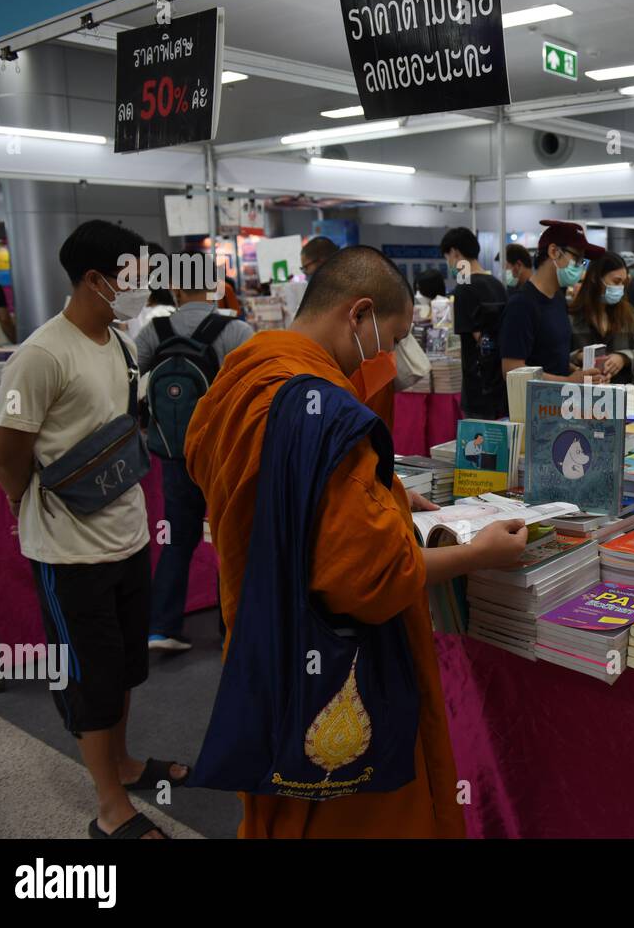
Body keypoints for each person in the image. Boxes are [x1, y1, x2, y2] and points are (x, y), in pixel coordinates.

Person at [185, 246, 528, 837]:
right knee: (342, 802)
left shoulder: (248, 367)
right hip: (335, 663)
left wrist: (386, 490)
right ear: (359, 314)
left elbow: (248, 473)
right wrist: (480, 553)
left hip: (259, 636)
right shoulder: (322, 411)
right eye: (392, 340)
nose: (390, 359)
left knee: (280, 772)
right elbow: (370, 579)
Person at [0, 220, 190, 839]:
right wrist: (25, 497)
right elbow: (8, 450)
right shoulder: (42, 355)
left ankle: (125, 764)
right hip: (68, 551)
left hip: (126, 536)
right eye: (136, 276)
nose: (145, 287)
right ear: (96, 279)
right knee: (89, 677)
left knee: (127, 666)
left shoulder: (120, 340)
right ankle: (110, 806)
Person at [134, 251, 254, 652]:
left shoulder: (155, 330)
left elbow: (129, 377)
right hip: (223, 453)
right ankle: (231, 625)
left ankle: (161, 625)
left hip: (172, 450)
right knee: (228, 535)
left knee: (178, 535)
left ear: (174, 287)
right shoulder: (235, 331)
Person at [500, 219, 605, 383]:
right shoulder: (521, 305)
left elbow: (552, 359)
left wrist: (581, 373)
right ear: (554, 251)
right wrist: (569, 382)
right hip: (533, 406)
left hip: (560, 403)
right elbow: (512, 370)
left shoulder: (557, 299)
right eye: (577, 259)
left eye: (582, 262)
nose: (580, 267)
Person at [442, 227, 509, 419]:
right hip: (500, 384)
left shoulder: (464, 288)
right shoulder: (497, 285)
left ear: (455, 252)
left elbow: (479, 338)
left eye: (448, 258)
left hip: (478, 388)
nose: (449, 263)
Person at [568, 252, 634, 384]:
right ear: (594, 278)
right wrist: (579, 357)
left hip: (624, 396)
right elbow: (555, 358)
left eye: (623, 283)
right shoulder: (571, 318)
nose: (620, 288)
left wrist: (623, 357)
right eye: (616, 281)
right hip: (580, 397)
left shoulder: (631, 318)